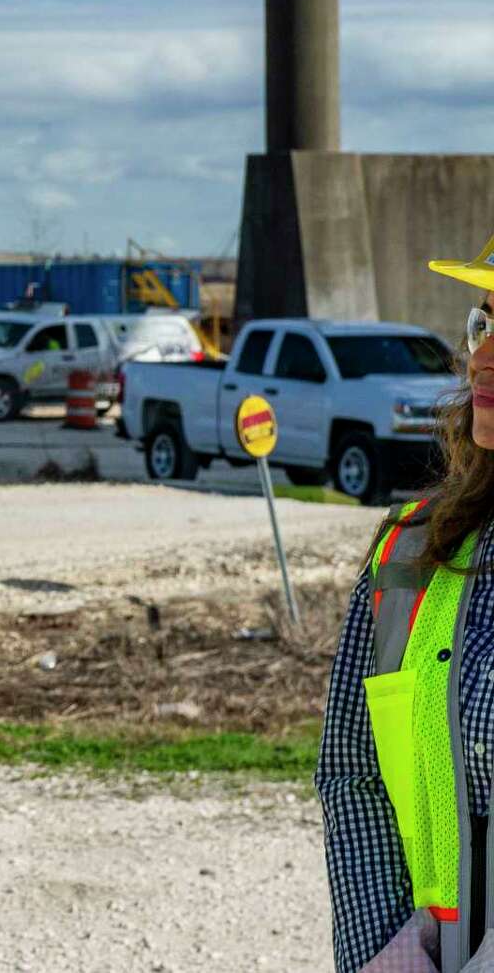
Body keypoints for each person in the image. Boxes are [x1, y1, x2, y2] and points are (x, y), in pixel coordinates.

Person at [319, 231, 494, 973]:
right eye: (484, 322)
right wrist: (387, 954)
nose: (483, 355)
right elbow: (353, 772)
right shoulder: (412, 553)